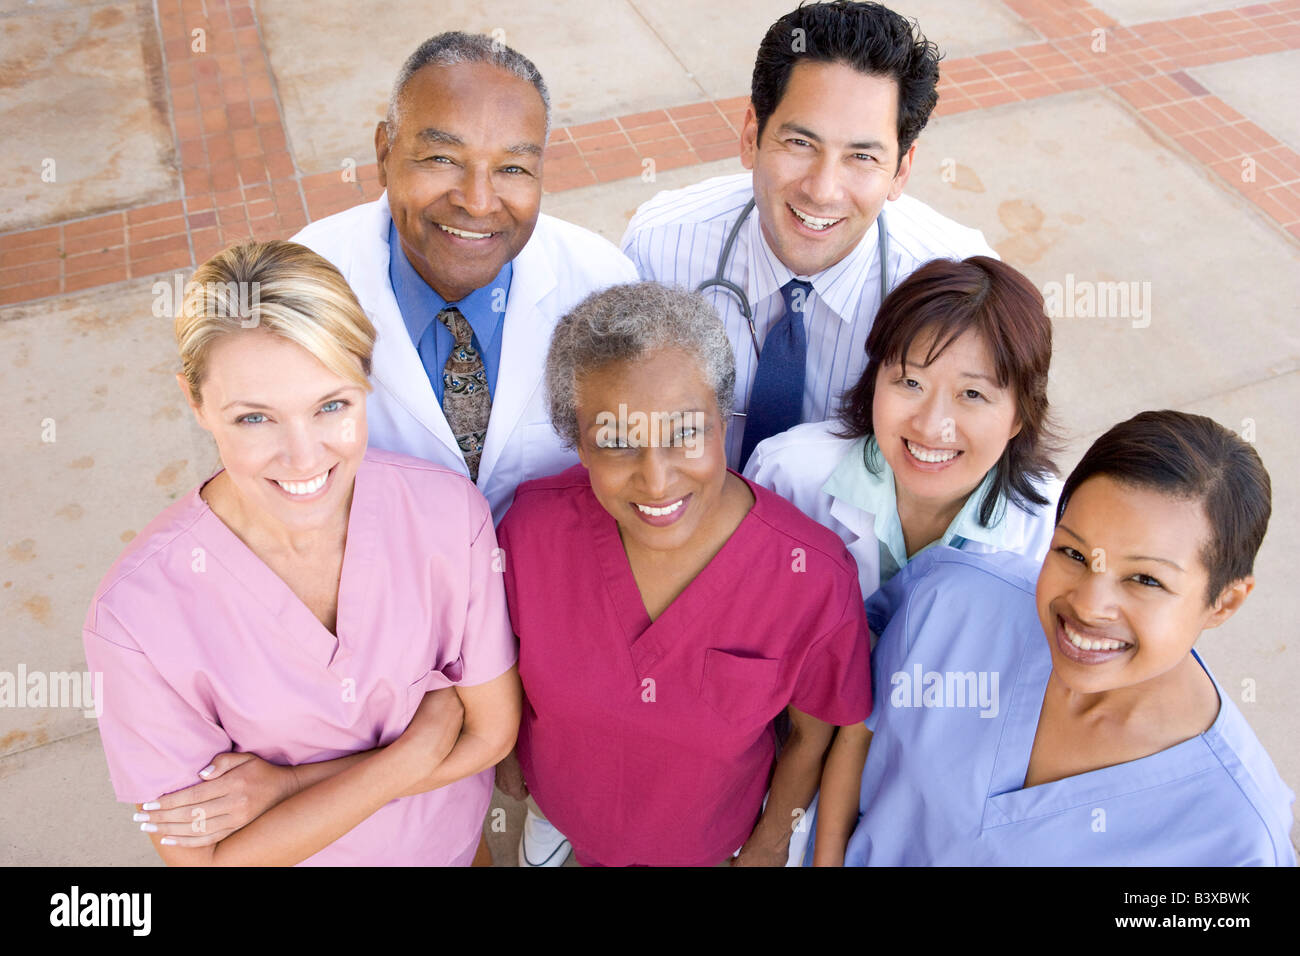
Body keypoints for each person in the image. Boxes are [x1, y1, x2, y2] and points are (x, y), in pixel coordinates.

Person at [82, 240, 521, 865]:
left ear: (366, 379)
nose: (304, 457)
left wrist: (288, 786)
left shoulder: (448, 516)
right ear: (195, 401)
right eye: (255, 418)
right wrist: (413, 753)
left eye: (331, 406)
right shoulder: (135, 619)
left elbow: (492, 732)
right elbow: (206, 861)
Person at [492, 282, 872, 866]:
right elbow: (507, 666)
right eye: (617, 442)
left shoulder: (812, 578)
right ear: (578, 445)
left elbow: (811, 734)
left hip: (701, 842)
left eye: (686, 432)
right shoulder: (531, 531)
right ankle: (556, 826)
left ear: (725, 418)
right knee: (555, 823)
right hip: (561, 796)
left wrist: (770, 841)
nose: (657, 478)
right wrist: (510, 756)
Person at [813, 410, 1296, 866]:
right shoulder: (951, 600)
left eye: (1146, 580)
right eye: (1073, 553)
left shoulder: (1238, 835)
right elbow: (855, 736)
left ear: (1225, 602)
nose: (1088, 605)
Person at [621, 1, 996, 469]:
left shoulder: (959, 287)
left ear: (901, 170)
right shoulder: (661, 247)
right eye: (800, 143)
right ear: (750, 135)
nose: (822, 190)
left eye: (862, 157)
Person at [294, 32, 639, 521]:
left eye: (513, 168)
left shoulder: (601, 281)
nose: (477, 201)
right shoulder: (302, 285)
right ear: (384, 153)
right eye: (442, 159)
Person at [745, 255, 1060, 603]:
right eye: (911, 382)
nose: (930, 426)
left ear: (1021, 414)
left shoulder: (1054, 533)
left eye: (972, 394)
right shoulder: (785, 475)